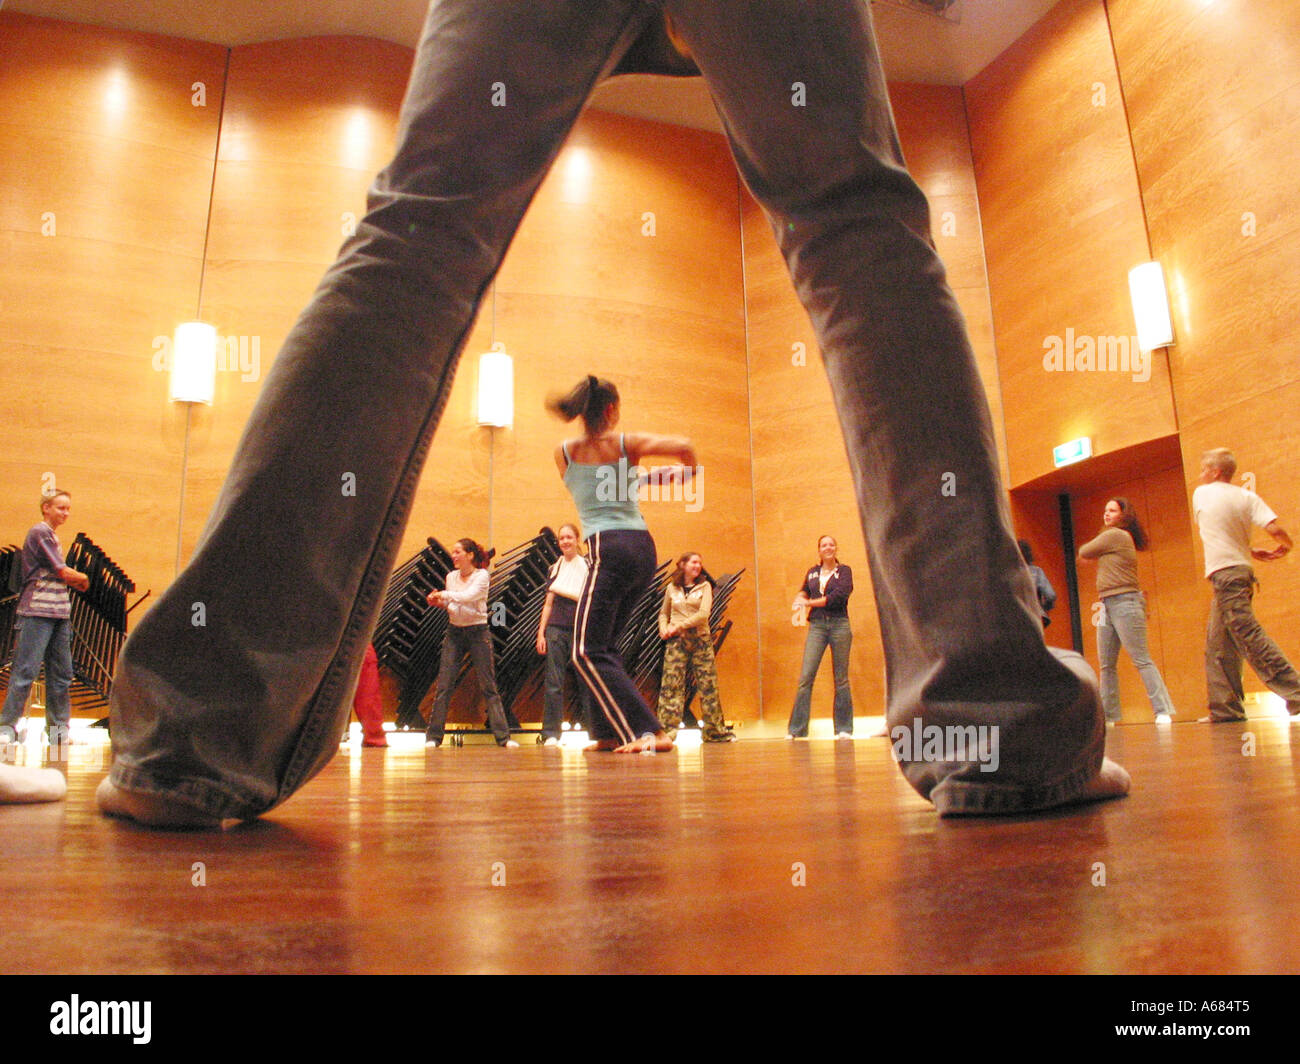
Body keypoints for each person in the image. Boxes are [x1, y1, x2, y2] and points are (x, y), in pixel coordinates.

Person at [99, 2, 1126, 828]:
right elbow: (657, 470)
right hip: (627, 546)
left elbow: (630, 474)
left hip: (617, 549)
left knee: (417, 231)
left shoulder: (580, 450)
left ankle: (197, 728)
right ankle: (989, 724)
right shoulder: (603, 452)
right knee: (854, 228)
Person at [550, 376, 692, 753]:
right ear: (611, 410)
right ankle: (606, 733)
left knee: (584, 649)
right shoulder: (627, 444)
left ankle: (650, 733)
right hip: (641, 549)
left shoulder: (563, 453)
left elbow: (594, 490)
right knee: (603, 645)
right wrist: (658, 478)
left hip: (608, 549)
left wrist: (631, 482)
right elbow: (685, 448)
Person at [1192, 448, 1300, 723]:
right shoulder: (1247, 496)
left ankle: (1297, 692)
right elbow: (1275, 531)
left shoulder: (1202, 493)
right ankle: (1225, 709)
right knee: (1218, 644)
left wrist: (1244, 549)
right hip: (1238, 572)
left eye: (1204, 468)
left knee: (1249, 635)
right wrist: (1281, 548)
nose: (1201, 474)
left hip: (1226, 576)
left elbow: (1216, 529)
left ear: (1216, 472)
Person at [1, 490, 90, 747]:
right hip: (36, 612)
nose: (66, 513)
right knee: (25, 671)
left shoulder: (52, 536)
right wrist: (83, 578)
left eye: (68, 508)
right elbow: (61, 571)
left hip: (59, 612)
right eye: (61, 508)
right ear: (46, 508)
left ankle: (58, 732)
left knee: (62, 673)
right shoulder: (40, 532)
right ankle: (6, 729)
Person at [1077, 499, 1176, 723]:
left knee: (1141, 659)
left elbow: (1085, 550)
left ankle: (1163, 710)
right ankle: (1108, 716)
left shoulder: (1116, 535)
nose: (1106, 514)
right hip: (1106, 604)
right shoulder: (1111, 539)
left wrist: (1088, 555)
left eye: (1112, 510)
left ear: (1124, 515)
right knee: (1106, 665)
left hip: (1125, 602)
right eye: (1105, 510)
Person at [424, 538, 517, 748]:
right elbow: (452, 602)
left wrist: (444, 594)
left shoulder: (482, 576)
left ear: (470, 555)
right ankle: (433, 737)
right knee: (444, 685)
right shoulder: (450, 577)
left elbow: (468, 596)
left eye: (458, 552)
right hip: (454, 632)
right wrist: (438, 601)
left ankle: (504, 738)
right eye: (453, 552)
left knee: (488, 686)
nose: (454, 556)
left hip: (478, 632)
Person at [656, 552, 735, 742]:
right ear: (682, 564)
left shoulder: (705, 586)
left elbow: (703, 614)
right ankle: (667, 730)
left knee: (707, 685)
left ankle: (714, 730)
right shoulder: (671, 588)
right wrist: (664, 629)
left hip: (700, 640)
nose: (697, 566)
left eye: (700, 562)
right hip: (676, 641)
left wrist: (679, 626)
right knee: (671, 685)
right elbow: (663, 614)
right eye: (693, 562)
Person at [787, 535, 856, 739]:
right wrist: (800, 598)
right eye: (824, 545)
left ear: (836, 548)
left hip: (839, 625)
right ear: (819, 550)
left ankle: (844, 729)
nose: (828, 547)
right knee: (805, 678)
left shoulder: (844, 571)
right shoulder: (812, 572)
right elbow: (803, 592)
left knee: (841, 678)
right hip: (817, 626)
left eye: (831, 544)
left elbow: (838, 597)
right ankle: (797, 730)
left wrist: (808, 604)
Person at [535, 522, 594, 745]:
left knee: (586, 681)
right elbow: (548, 604)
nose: (565, 541)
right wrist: (541, 633)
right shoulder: (555, 567)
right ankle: (551, 733)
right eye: (562, 538)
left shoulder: (587, 566)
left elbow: (590, 600)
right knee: (553, 681)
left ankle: (594, 733)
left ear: (577, 540)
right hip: (556, 631)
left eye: (569, 537)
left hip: (581, 630)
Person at [1018, 539, 1056, 628]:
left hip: (1015, 617)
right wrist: (1045, 608)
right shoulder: (1037, 572)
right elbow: (1050, 595)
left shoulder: (1008, 574)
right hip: (1035, 615)